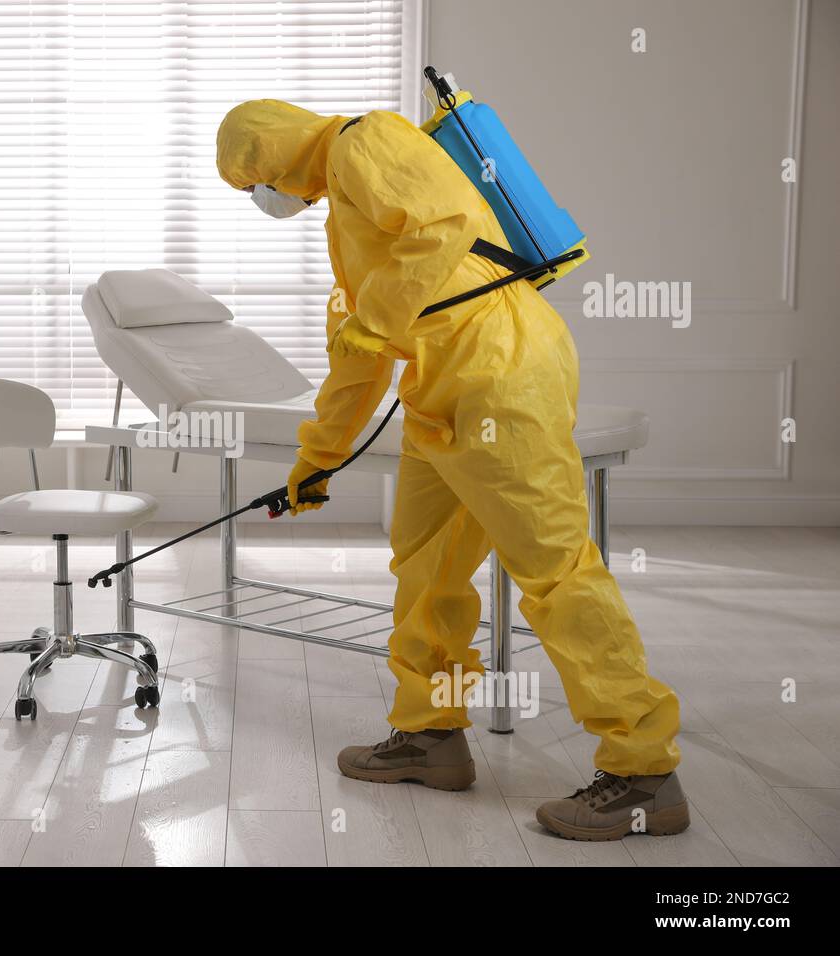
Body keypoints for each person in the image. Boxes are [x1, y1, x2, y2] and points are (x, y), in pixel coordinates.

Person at [216, 99, 687, 841]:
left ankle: (644, 772)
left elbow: (445, 224)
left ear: (264, 155)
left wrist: (374, 324)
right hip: (440, 390)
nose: (259, 200)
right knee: (425, 566)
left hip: (500, 372)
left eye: (249, 183)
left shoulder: (364, 142)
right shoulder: (345, 210)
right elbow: (359, 351)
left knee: (556, 571)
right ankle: (430, 735)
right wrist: (316, 463)